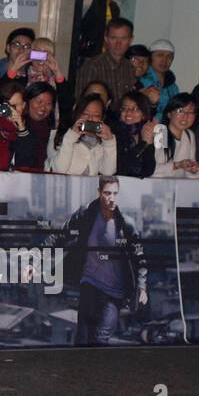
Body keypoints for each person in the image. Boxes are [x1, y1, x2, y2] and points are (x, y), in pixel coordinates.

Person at [43, 176, 147, 346]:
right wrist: (35, 259)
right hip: (90, 284)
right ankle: (80, 372)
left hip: (114, 292)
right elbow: (60, 235)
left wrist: (142, 287)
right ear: (99, 193)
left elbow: (139, 256)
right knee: (83, 340)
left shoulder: (126, 224)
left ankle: (97, 372)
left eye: (115, 193)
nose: (112, 198)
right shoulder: (86, 214)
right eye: (107, 193)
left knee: (101, 339)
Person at [47, 95, 116, 176]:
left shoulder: (100, 142)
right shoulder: (58, 135)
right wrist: (71, 136)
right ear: (77, 113)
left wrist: (109, 142)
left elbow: (108, 172)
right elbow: (58, 170)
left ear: (102, 119)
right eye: (85, 113)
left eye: (96, 115)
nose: (90, 118)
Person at [76, 17, 134, 107]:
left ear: (130, 40)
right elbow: (82, 102)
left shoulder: (130, 67)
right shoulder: (93, 66)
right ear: (106, 38)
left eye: (123, 38)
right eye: (113, 38)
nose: (118, 43)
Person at [153, 93, 199, 178]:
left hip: (177, 187)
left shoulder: (189, 135)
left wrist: (194, 169)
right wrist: (178, 165)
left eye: (191, 112)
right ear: (169, 113)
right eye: (180, 111)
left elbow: (189, 174)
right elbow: (152, 171)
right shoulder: (161, 132)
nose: (186, 116)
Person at [114, 92, 156, 179]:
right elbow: (123, 168)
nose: (128, 112)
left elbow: (148, 170)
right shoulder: (114, 133)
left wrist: (148, 144)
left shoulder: (146, 132)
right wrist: (143, 144)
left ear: (144, 115)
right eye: (124, 108)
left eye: (135, 109)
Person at [22, 81, 58, 170]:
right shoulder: (18, 126)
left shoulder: (52, 132)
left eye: (48, 104)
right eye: (39, 101)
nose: (43, 108)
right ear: (27, 101)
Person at [139, 40, 180, 119]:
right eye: (160, 55)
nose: (164, 60)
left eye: (169, 57)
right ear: (150, 57)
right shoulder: (141, 80)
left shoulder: (173, 87)